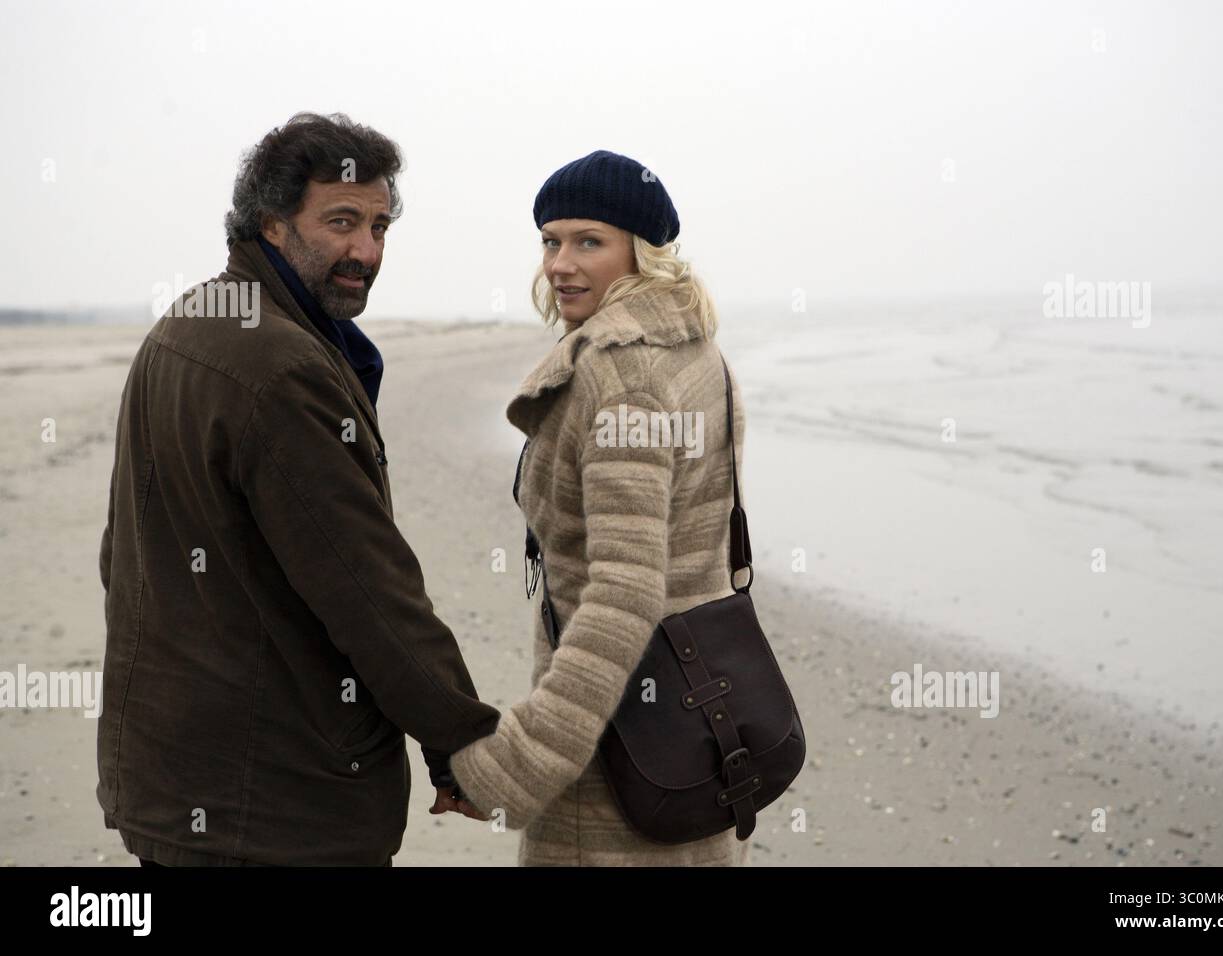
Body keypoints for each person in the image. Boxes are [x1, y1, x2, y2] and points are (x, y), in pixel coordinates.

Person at [97, 112, 498, 866]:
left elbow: (121, 554)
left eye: (380, 227)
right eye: (341, 222)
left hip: (170, 780)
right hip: (275, 807)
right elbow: (368, 588)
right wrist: (463, 741)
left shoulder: (183, 325)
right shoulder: (281, 368)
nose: (366, 251)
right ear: (272, 224)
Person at [443, 150, 752, 865]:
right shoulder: (700, 351)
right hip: (698, 716)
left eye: (589, 241)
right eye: (551, 241)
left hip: (614, 752)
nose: (560, 264)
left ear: (643, 252)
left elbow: (623, 592)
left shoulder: (622, 376)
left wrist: (520, 765)